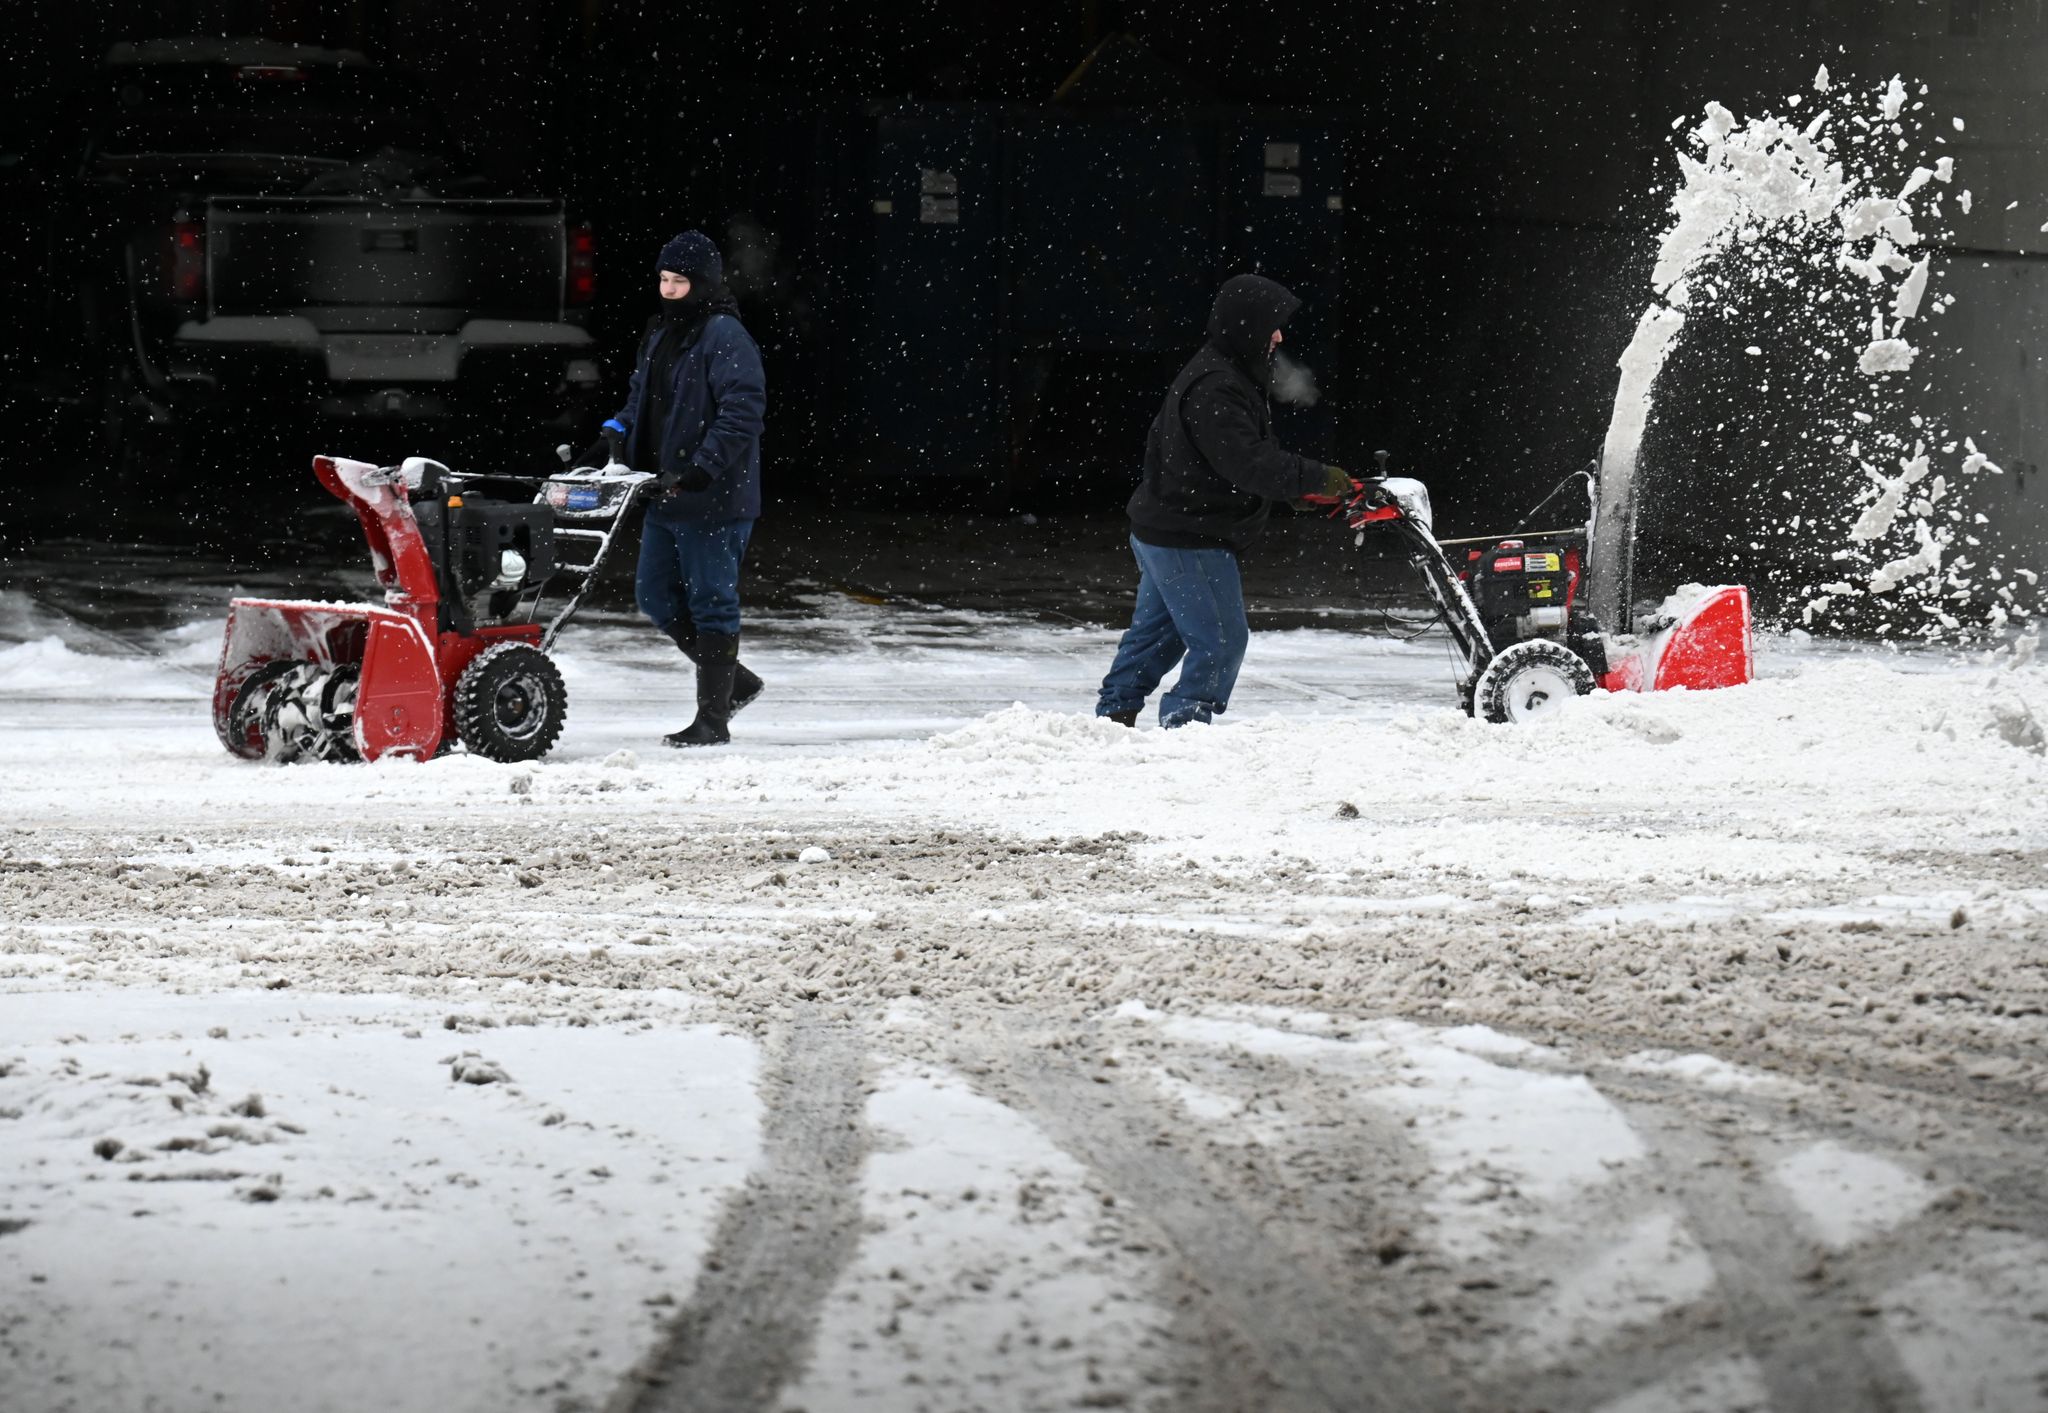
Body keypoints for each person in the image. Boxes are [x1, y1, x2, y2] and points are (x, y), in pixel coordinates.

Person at [1095, 273, 1352, 727]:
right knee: (1221, 640)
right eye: (1272, 325)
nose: (1279, 336)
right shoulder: (1217, 385)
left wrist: (1301, 491)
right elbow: (1249, 463)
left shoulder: (1227, 373)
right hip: (1190, 536)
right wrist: (1322, 479)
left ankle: (1112, 717)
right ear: (1247, 325)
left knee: (1158, 635)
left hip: (1167, 529)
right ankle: (1186, 726)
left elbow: (1232, 462)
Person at [582, 230, 767, 747]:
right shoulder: (663, 332)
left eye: (679, 281)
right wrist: (613, 434)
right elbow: (640, 398)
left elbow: (743, 411)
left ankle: (713, 719)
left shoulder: (725, 335)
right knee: (655, 594)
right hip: (663, 491)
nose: (668, 290)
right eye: (663, 279)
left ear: (703, 283)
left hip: (713, 497)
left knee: (712, 601)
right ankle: (736, 683)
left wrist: (704, 468)